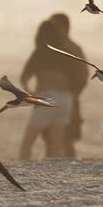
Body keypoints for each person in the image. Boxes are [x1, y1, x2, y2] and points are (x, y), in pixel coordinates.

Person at [18, 15, 87, 159]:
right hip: (65, 98)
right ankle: (56, 174)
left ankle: (21, 172)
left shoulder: (40, 52)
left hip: (47, 96)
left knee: (27, 143)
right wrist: (73, 96)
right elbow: (79, 76)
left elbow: (24, 78)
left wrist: (30, 94)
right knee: (58, 142)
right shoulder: (65, 51)